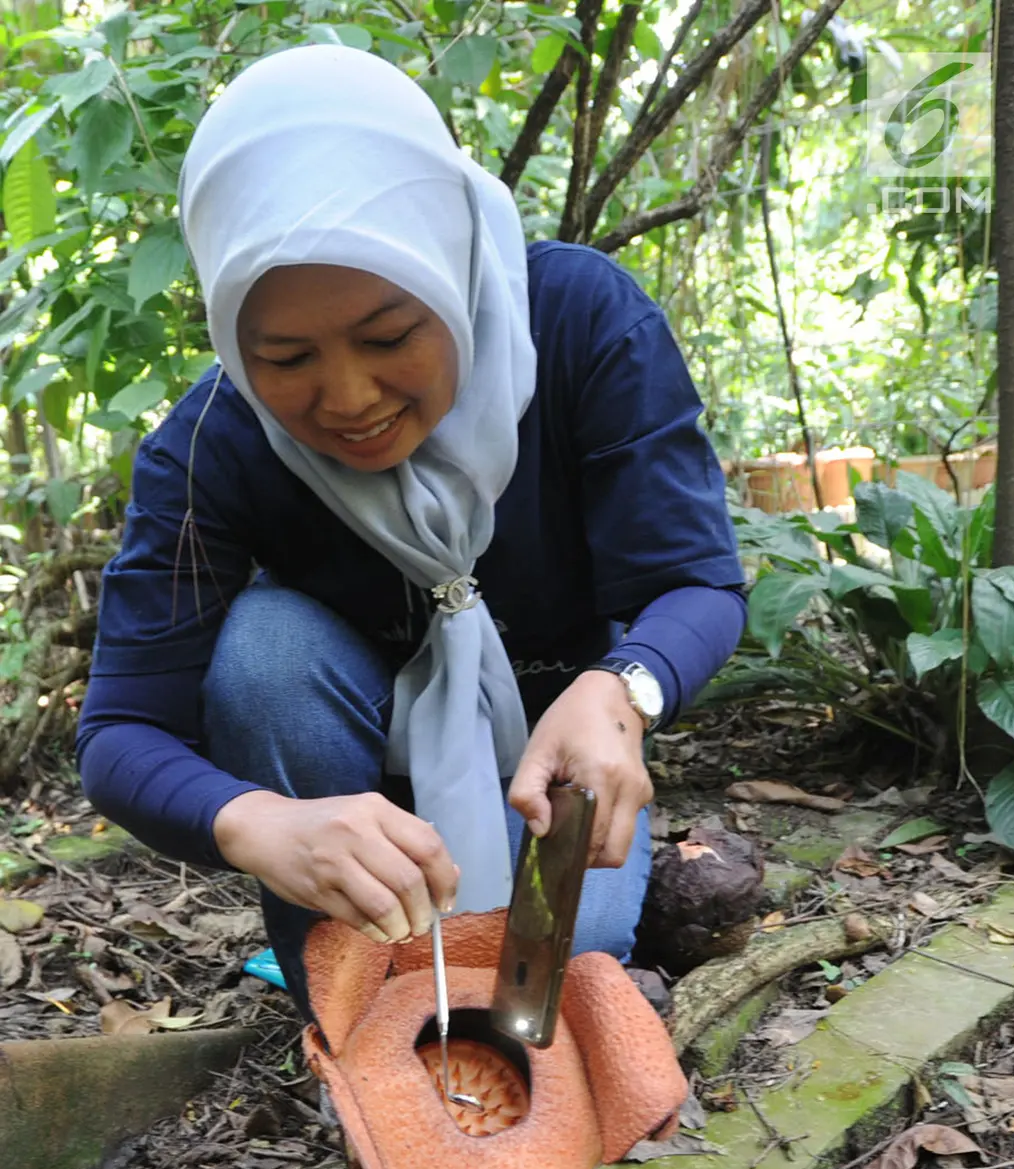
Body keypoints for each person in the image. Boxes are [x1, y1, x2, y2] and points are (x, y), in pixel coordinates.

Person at [77, 45, 746, 1023]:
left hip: (549, 771)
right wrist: (257, 821)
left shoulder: (574, 324)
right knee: (263, 651)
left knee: (539, 994)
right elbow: (120, 731)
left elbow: (696, 583)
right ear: (231, 339)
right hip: (340, 788)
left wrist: (622, 688)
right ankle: (351, 978)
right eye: (285, 357)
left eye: (389, 336)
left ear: (451, 266)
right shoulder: (212, 445)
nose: (348, 398)